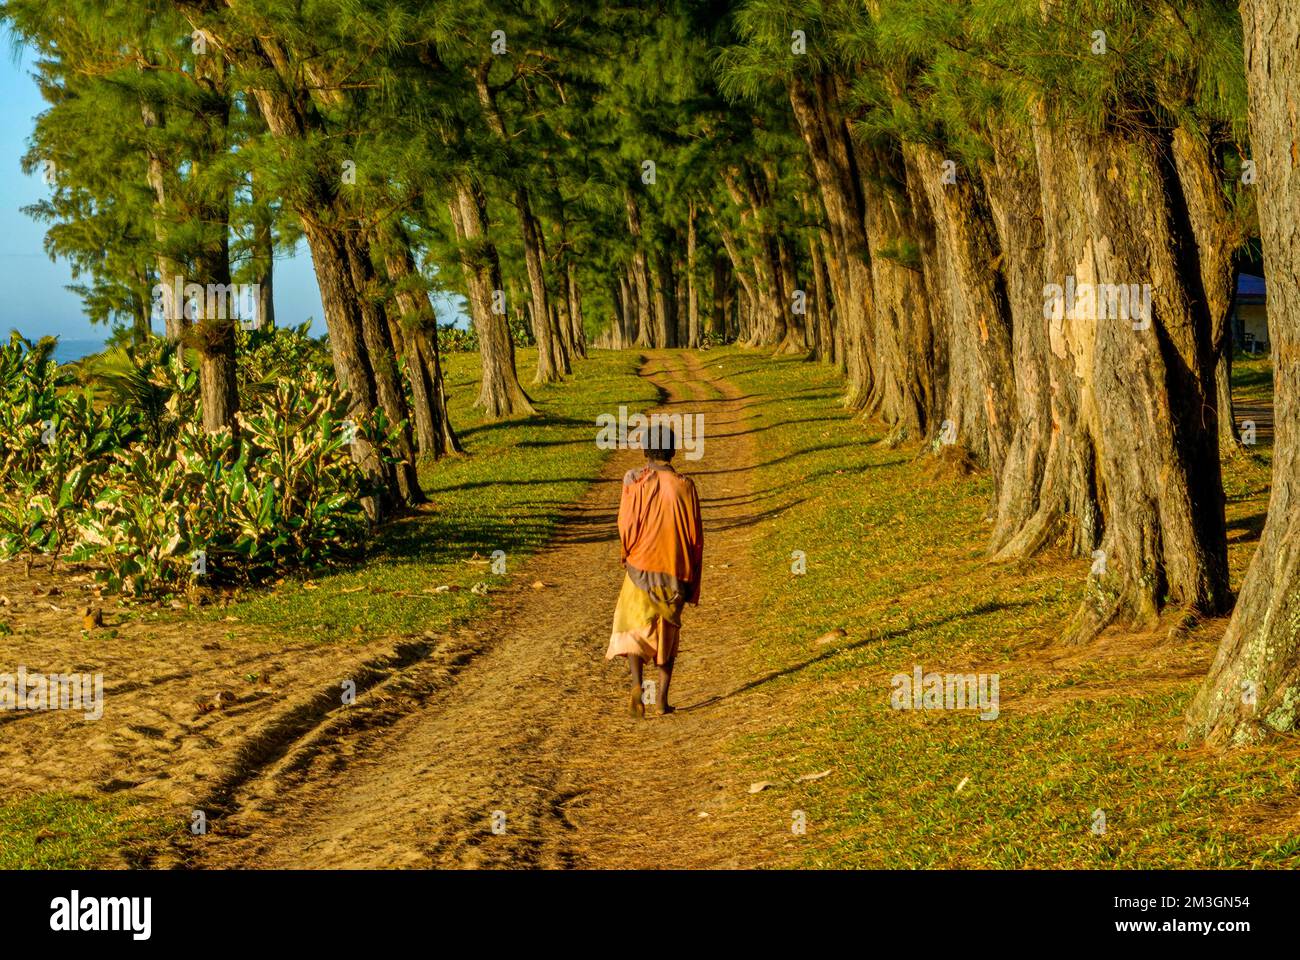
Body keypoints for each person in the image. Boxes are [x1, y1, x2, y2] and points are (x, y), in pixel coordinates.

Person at [606, 427, 704, 718]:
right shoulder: (685, 486)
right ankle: (661, 700)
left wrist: (628, 554)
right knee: (667, 632)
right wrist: (692, 578)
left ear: (646, 452)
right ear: (672, 452)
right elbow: (695, 536)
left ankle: (637, 685)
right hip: (674, 569)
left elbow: (625, 524)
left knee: (634, 628)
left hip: (640, 566)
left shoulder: (634, 481)